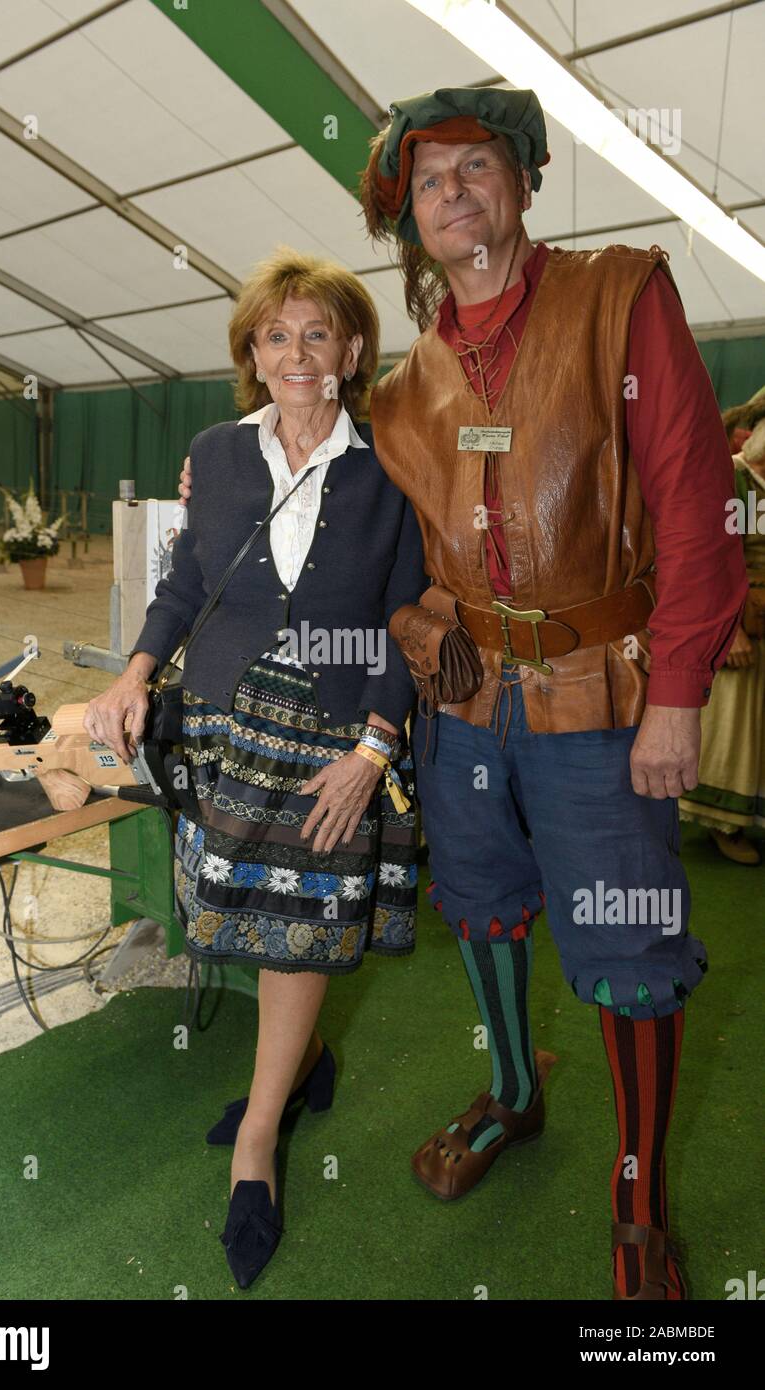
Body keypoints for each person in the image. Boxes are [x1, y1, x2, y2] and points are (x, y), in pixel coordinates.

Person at [354, 86, 748, 1301]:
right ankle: (515, 1093)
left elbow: (697, 509)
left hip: (602, 696)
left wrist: (677, 691)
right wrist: (420, 624)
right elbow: (401, 566)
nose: (455, 190)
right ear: (411, 220)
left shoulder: (623, 296)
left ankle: (638, 1201)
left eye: (480, 166)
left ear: (525, 186)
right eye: (430, 180)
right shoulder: (402, 391)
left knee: (631, 951)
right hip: (463, 710)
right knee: (478, 905)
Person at [85, 247, 426, 1289]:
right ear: (251, 352)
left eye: (315, 332)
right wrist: (135, 672)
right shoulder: (218, 454)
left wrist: (375, 745)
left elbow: (412, 619)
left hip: (331, 733)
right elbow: (186, 579)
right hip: (227, 718)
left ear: (352, 350)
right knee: (229, 911)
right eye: (273, 334)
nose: (293, 351)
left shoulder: (392, 464)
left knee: (298, 936)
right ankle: (303, 1064)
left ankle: (259, 1140)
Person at [680, 406, 765, 863]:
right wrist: (730, 631)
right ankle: (723, 820)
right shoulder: (731, 478)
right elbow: (709, 557)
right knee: (733, 727)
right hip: (740, 618)